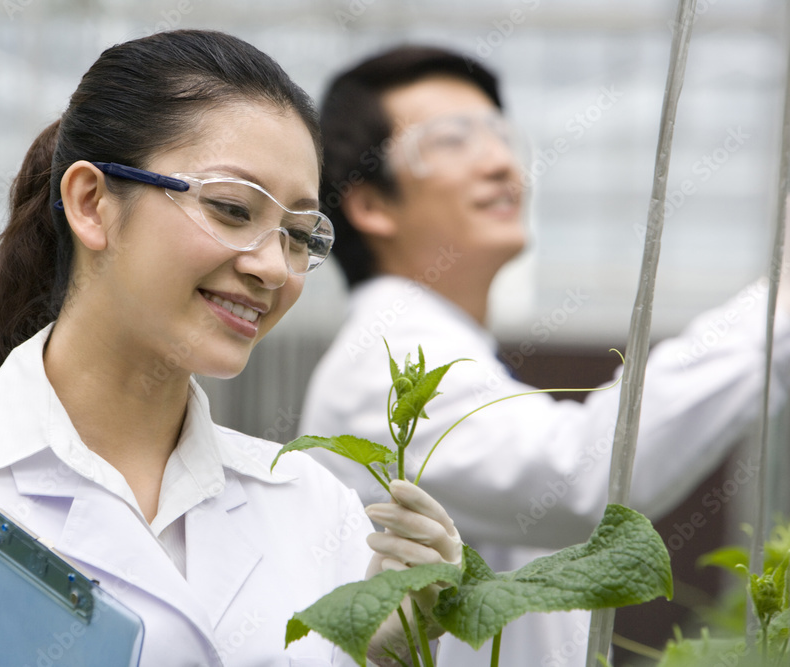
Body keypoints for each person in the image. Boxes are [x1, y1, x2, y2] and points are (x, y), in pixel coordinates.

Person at [0, 32, 463, 666]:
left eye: (299, 235)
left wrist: (381, 651)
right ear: (91, 203)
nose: (273, 267)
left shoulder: (316, 511)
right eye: (233, 209)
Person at [300, 45, 790, 666]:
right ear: (370, 203)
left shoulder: (441, 350)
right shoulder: (382, 366)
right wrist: (778, 307)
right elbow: (583, 478)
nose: (501, 163)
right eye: (451, 140)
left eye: (500, 135)